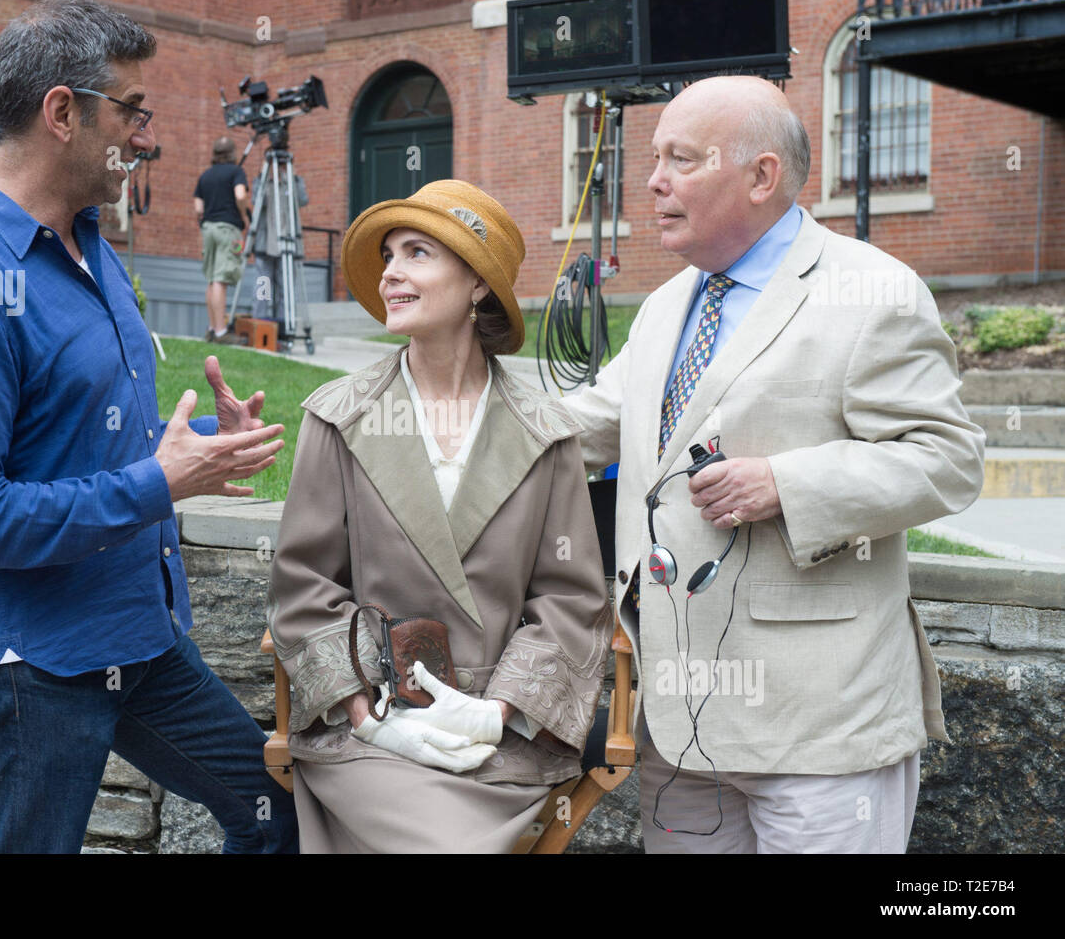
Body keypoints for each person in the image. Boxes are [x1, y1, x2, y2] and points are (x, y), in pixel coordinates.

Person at [0, 0, 297, 854]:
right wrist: (158, 482)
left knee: (273, 806)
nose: (147, 135)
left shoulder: (87, 239)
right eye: (133, 110)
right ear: (63, 113)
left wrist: (187, 455)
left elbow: (76, 441)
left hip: (136, 635)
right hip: (30, 665)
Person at [562, 75, 985, 853]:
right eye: (654, 158)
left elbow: (948, 459)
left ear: (761, 176)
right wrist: (432, 415)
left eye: (681, 160)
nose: (652, 180)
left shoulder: (873, 291)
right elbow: (585, 426)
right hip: (681, 728)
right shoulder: (666, 306)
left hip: (821, 730)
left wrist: (786, 483)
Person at [268, 180, 614, 853]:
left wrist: (496, 713)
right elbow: (302, 585)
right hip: (369, 737)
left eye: (418, 253)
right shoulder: (338, 415)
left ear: (479, 284)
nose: (391, 271)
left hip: (500, 745)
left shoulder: (546, 432)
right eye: (390, 255)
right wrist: (369, 716)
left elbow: (571, 599)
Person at [194, 135, 250, 342]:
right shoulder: (237, 172)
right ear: (233, 153)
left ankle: (211, 328)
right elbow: (241, 195)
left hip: (207, 228)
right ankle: (220, 332)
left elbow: (198, 207)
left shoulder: (205, 176)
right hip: (229, 229)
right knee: (221, 279)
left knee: (211, 279)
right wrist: (244, 216)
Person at [249, 169, 309, 324]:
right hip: (265, 246)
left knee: (286, 289)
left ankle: (284, 326)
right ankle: (260, 323)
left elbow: (303, 200)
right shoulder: (261, 180)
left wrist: (293, 177)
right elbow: (256, 201)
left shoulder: (292, 180)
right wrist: (264, 177)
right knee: (263, 289)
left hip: (288, 246)